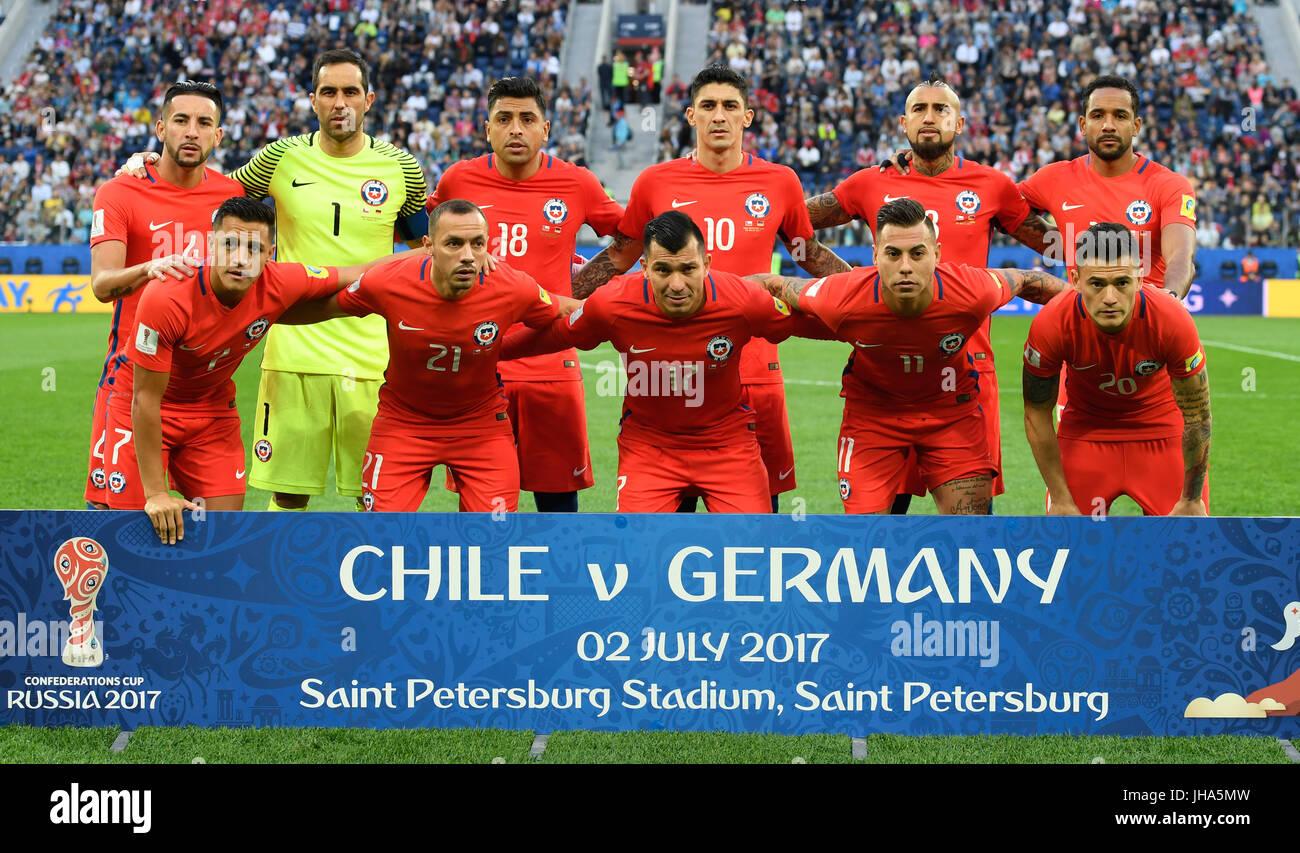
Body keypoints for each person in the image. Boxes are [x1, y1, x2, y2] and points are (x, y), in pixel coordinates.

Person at [119, 49, 430, 512]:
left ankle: (369, 581)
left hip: (375, 353)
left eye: (350, 92)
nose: (339, 102)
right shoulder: (280, 157)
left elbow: (422, 249)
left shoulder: (402, 168)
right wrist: (153, 163)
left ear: (369, 99)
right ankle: (274, 584)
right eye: (328, 92)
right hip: (291, 346)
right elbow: (216, 196)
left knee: (377, 498)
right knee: (287, 491)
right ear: (312, 100)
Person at [572, 64, 850, 512]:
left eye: (729, 106)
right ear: (690, 116)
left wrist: (868, 292)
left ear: (747, 117)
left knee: (758, 526)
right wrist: (563, 293)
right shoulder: (655, 182)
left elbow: (809, 253)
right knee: (665, 531)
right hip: (672, 376)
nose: (718, 116)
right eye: (708, 106)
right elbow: (622, 255)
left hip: (757, 369)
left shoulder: (780, 181)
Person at [806, 73, 1055, 515]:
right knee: (884, 522)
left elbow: (1053, 244)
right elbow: (793, 224)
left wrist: (1115, 259)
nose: (929, 117)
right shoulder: (869, 183)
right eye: (919, 109)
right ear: (903, 122)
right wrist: (844, 278)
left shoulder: (992, 186)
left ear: (959, 124)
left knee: (970, 530)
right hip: (886, 376)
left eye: (941, 109)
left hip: (968, 372)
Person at [750, 199, 1068, 515]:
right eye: (893, 254)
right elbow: (772, 283)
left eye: (917, 253)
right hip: (872, 418)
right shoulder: (840, 296)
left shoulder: (971, 290)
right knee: (866, 538)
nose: (905, 266)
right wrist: (713, 299)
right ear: (875, 256)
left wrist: (1084, 304)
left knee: (971, 533)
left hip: (951, 413)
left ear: (937, 255)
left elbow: (1027, 280)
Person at [504, 211, 832, 512]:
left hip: (727, 444)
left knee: (749, 551)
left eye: (688, 269)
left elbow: (807, 324)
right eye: (663, 270)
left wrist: (872, 330)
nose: (676, 285)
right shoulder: (612, 303)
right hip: (649, 447)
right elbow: (556, 335)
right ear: (644, 266)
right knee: (643, 556)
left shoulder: (742, 300)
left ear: (706, 263)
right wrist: (494, 351)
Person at [107, 198, 385, 542]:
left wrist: (431, 257)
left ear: (271, 253)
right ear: (210, 244)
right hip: (145, 408)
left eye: (253, 249)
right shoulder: (166, 296)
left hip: (211, 414)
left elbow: (357, 274)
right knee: (131, 534)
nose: (240, 258)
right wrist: (155, 493)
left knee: (221, 536)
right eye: (229, 245)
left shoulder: (281, 280)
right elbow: (145, 399)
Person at [279, 200, 575, 513]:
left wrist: (620, 309)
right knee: (381, 534)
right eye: (454, 244)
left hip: (482, 427)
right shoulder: (389, 281)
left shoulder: (512, 286)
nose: (467, 256)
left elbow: (566, 313)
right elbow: (325, 307)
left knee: (494, 539)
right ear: (428, 245)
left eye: (477, 244)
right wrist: (257, 315)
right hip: (403, 424)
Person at [426, 76, 625, 513]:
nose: (516, 128)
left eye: (527, 119)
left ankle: (558, 583)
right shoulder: (458, 180)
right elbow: (427, 245)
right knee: (482, 506)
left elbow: (630, 236)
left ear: (546, 128)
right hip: (479, 366)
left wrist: (587, 282)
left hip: (551, 362)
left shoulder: (577, 183)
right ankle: (483, 581)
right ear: (487, 128)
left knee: (556, 501)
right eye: (505, 119)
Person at [85, 81, 243, 509]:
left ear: (218, 135)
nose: (192, 131)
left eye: (204, 123)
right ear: (160, 128)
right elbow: (102, 286)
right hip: (132, 380)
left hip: (207, 394)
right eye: (181, 121)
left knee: (225, 537)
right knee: (112, 530)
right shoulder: (119, 192)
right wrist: (149, 268)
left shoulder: (233, 198)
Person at [1022, 222, 1211, 517]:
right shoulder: (1052, 324)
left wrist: (1191, 497)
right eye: (1097, 283)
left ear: (1139, 279)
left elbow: (1197, 416)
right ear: (1075, 279)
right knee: (1072, 552)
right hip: (1085, 434)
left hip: (1162, 433)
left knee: (1183, 550)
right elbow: (1036, 414)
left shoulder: (1172, 321)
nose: (1109, 297)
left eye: (1121, 283)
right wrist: (1059, 498)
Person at [1017, 75, 1197, 298]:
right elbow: (1004, 209)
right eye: (1098, 115)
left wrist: (1170, 299)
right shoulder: (1053, 178)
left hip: (1147, 321)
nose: (1108, 126)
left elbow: (1181, 256)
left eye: (1120, 116)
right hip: (1081, 323)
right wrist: (1068, 247)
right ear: (1083, 125)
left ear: (1136, 126)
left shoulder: (1169, 185)